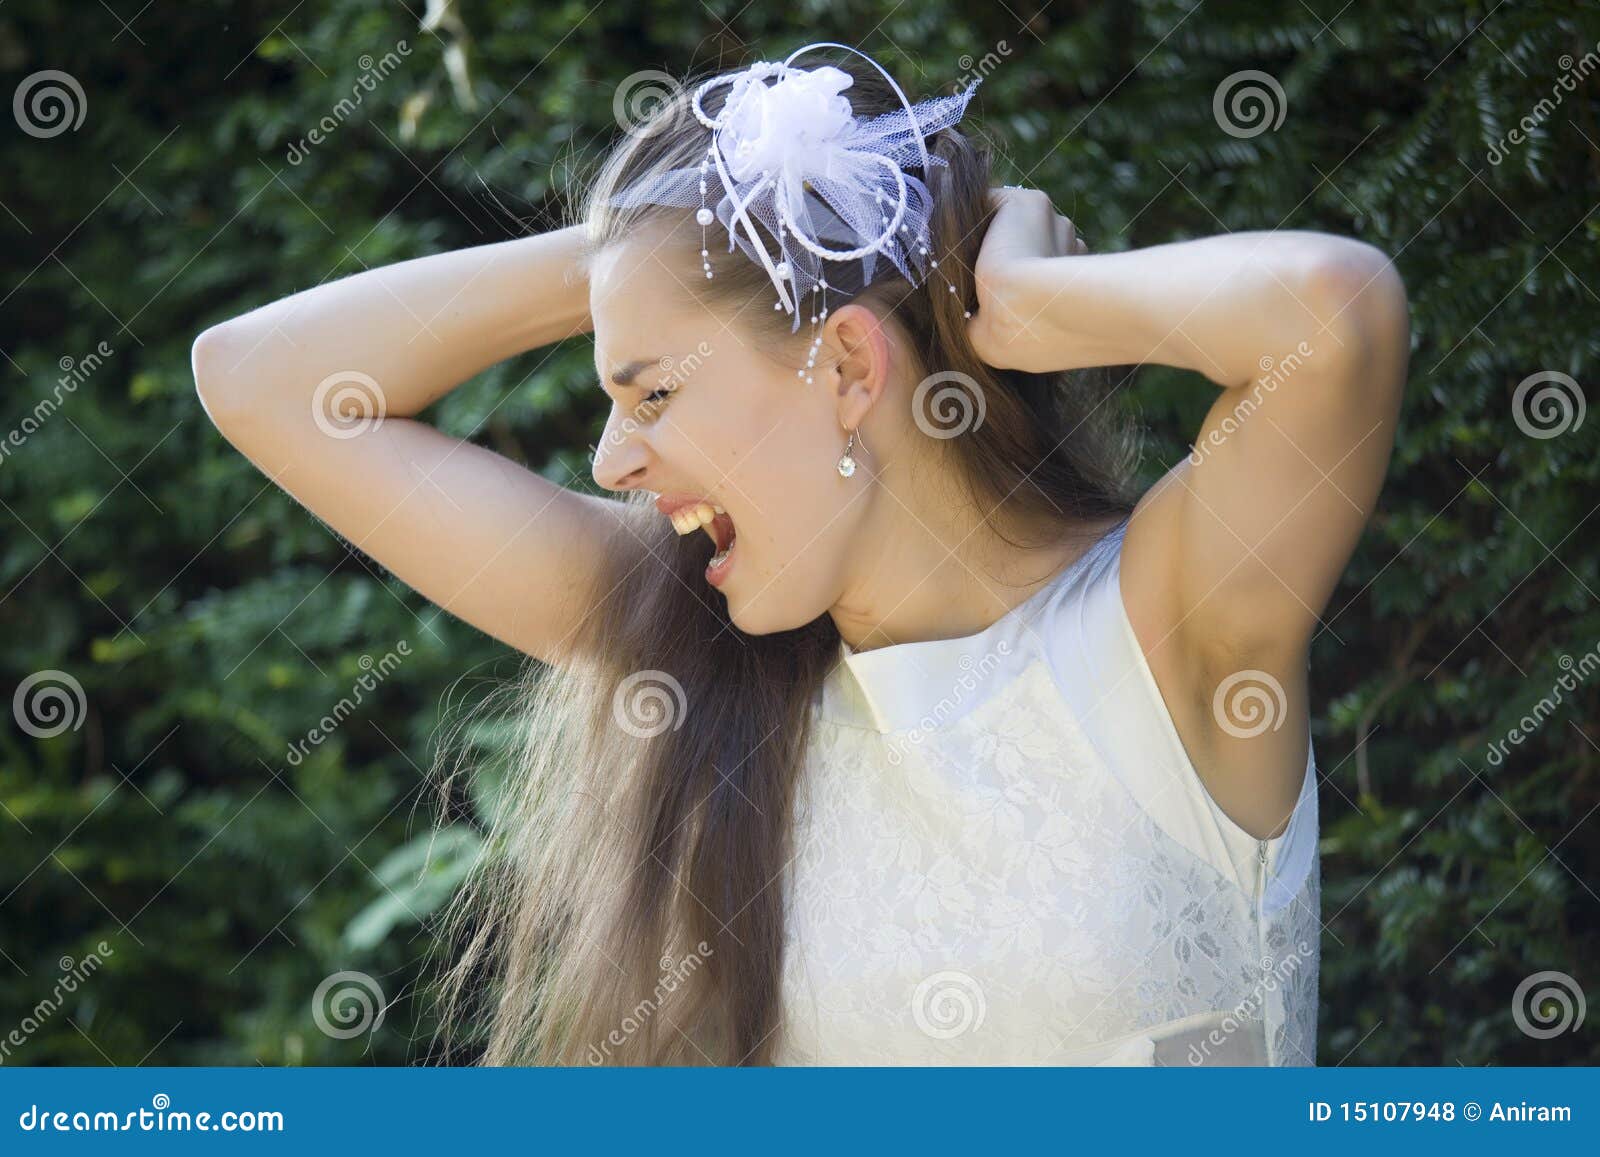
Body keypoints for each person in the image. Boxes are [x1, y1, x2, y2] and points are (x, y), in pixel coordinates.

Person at [191, 42, 1409, 1066]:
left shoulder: (1168, 623)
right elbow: (263, 380)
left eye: (654, 390)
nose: (614, 461)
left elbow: (1331, 314)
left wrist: (1021, 299)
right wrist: (657, 248)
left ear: (846, 368)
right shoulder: (699, 643)